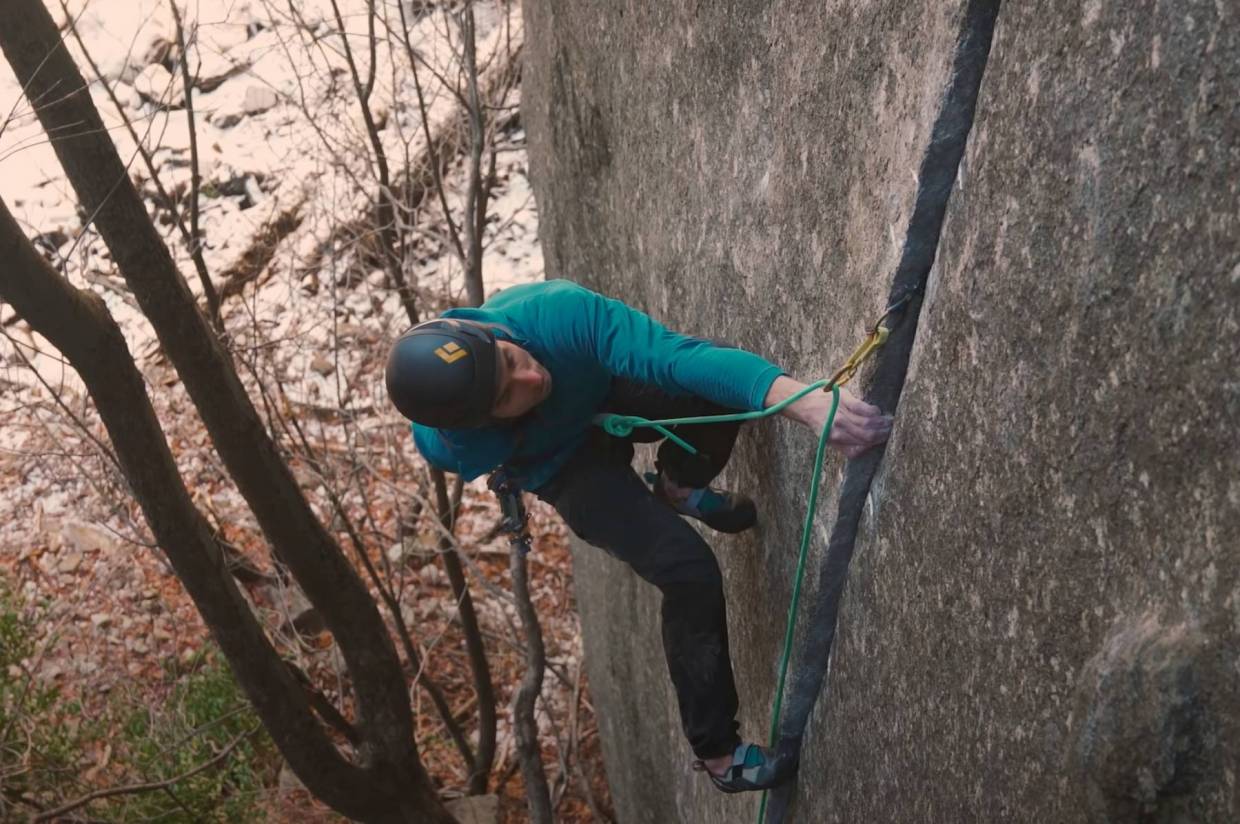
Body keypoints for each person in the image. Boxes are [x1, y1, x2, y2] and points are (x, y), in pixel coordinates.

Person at [385, 279, 891, 793]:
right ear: (475, 422)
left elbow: (678, 359)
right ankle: (719, 754)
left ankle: (680, 486)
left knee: (708, 382)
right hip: (563, 470)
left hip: (599, 392)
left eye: (512, 359)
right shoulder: (445, 442)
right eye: (506, 394)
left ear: (492, 333)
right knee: (689, 573)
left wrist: (800, 399)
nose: (531, 377)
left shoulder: (557, 315)